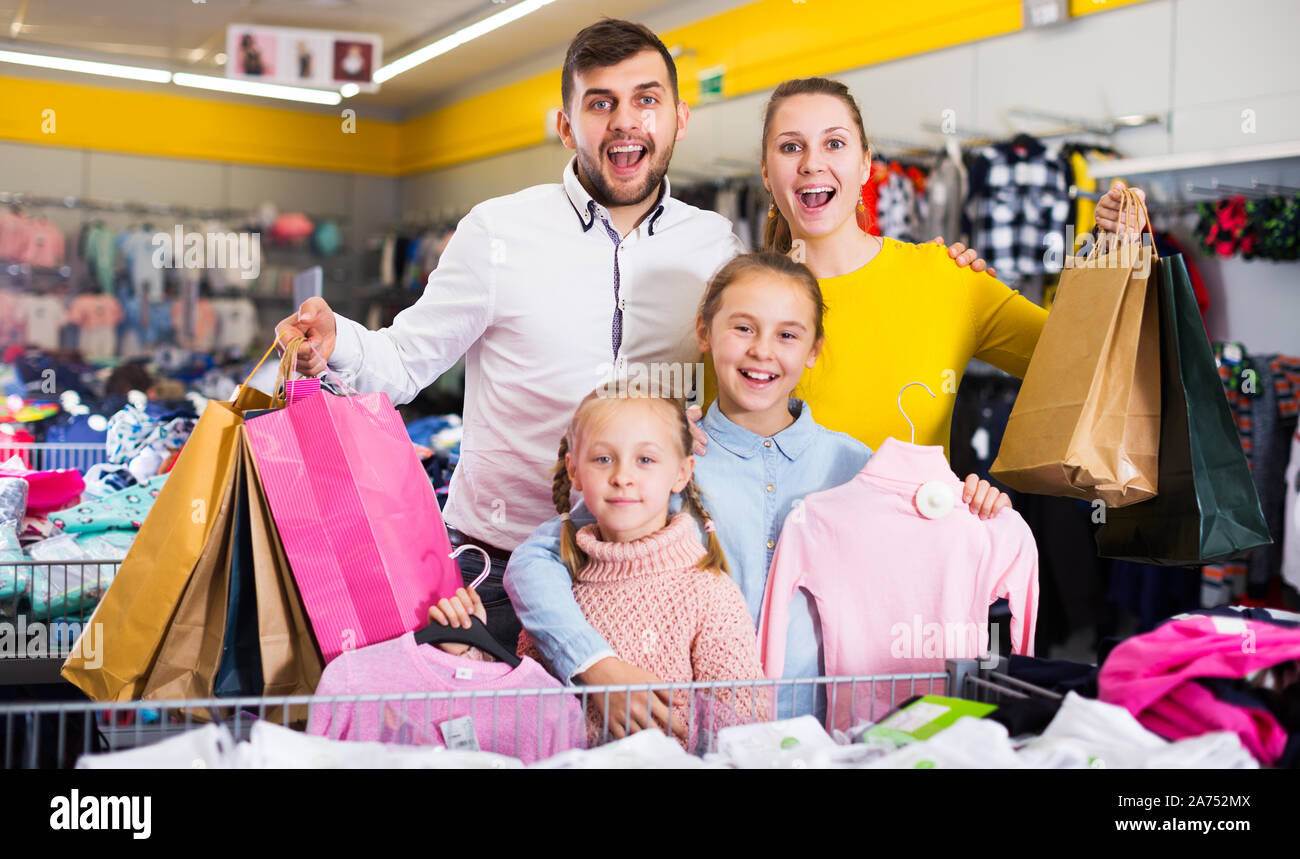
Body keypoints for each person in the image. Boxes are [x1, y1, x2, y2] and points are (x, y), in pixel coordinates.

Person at [273, 19, 988, 654]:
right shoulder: (498, 233)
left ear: (677, 118)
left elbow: (785, 333)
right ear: (566, 124)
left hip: (642, 571)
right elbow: (403, 362)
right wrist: (335, 343)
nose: (626, 122)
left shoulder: (713, 243)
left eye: (646, 100)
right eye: (600, 102)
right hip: (494, 567)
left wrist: (937, 274)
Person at [505, 252, 1014, 730]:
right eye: (743, 327)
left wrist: (975, 510)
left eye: (788, 335)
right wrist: (594, 663)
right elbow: (538, 561)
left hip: (820, 729)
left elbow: (926, 569)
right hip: (684, 733)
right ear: (705, 332)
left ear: (814, 350)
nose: (762, 351)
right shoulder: (665, 459)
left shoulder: (858, 465)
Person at [731, 76, 1147, 455]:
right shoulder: (739, 304)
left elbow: (1084, 363)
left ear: (864, 165)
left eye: (834, 143)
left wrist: (1112, 252)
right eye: (790, 147)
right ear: (766, 173)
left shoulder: (945, 277)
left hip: (915, 538)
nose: (811, 163)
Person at [428, 391, 767, 747]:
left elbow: (744, 734)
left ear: (681, 473)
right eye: (603, 458)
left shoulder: (709, 595)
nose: (622, 476)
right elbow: (528, 708)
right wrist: (470, 651)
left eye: (646, 459)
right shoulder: (561, 593)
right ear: (575, 470)